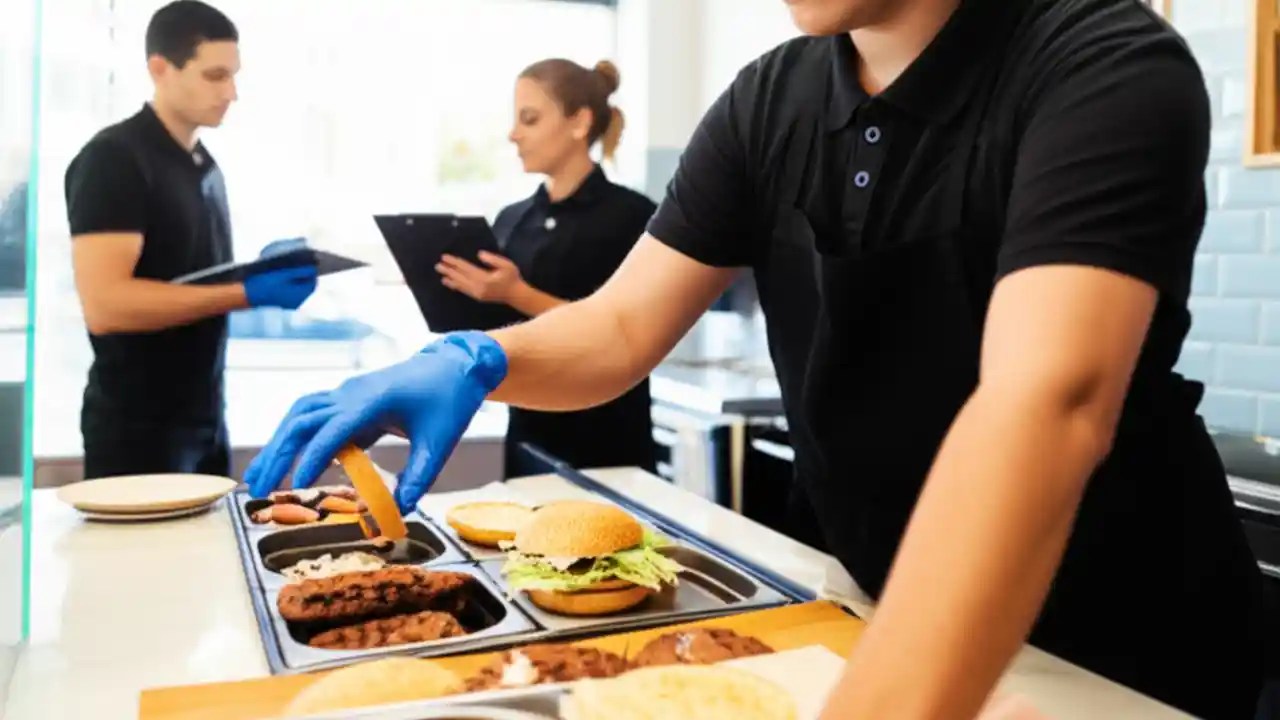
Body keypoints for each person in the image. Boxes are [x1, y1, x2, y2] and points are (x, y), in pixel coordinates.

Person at [245, 0, 1265, 717]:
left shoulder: (1097, 62)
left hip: (1115, 647)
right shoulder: (768, 101)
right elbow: (615, 331)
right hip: (875, 602)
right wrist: (475, 356)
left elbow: (1045, 402)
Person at [64, 0, 317, 480]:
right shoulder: (114, 160)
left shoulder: (206, 166)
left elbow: (186, 278)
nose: (232, 93)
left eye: (233, 76)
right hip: (136, 430)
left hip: (204, 420)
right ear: (161, 69)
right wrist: (247, 293)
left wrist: (260, 270)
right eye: (215, 75)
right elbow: (107, 305)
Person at [433, 59, 657, 479]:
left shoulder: (633, 217)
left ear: (579, 123)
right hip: (528, 434)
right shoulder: (511, 218)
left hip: (608, 443)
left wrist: (516, 293)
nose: (513, 134)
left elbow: (623, 333)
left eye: (529, 119)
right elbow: (500, 326)